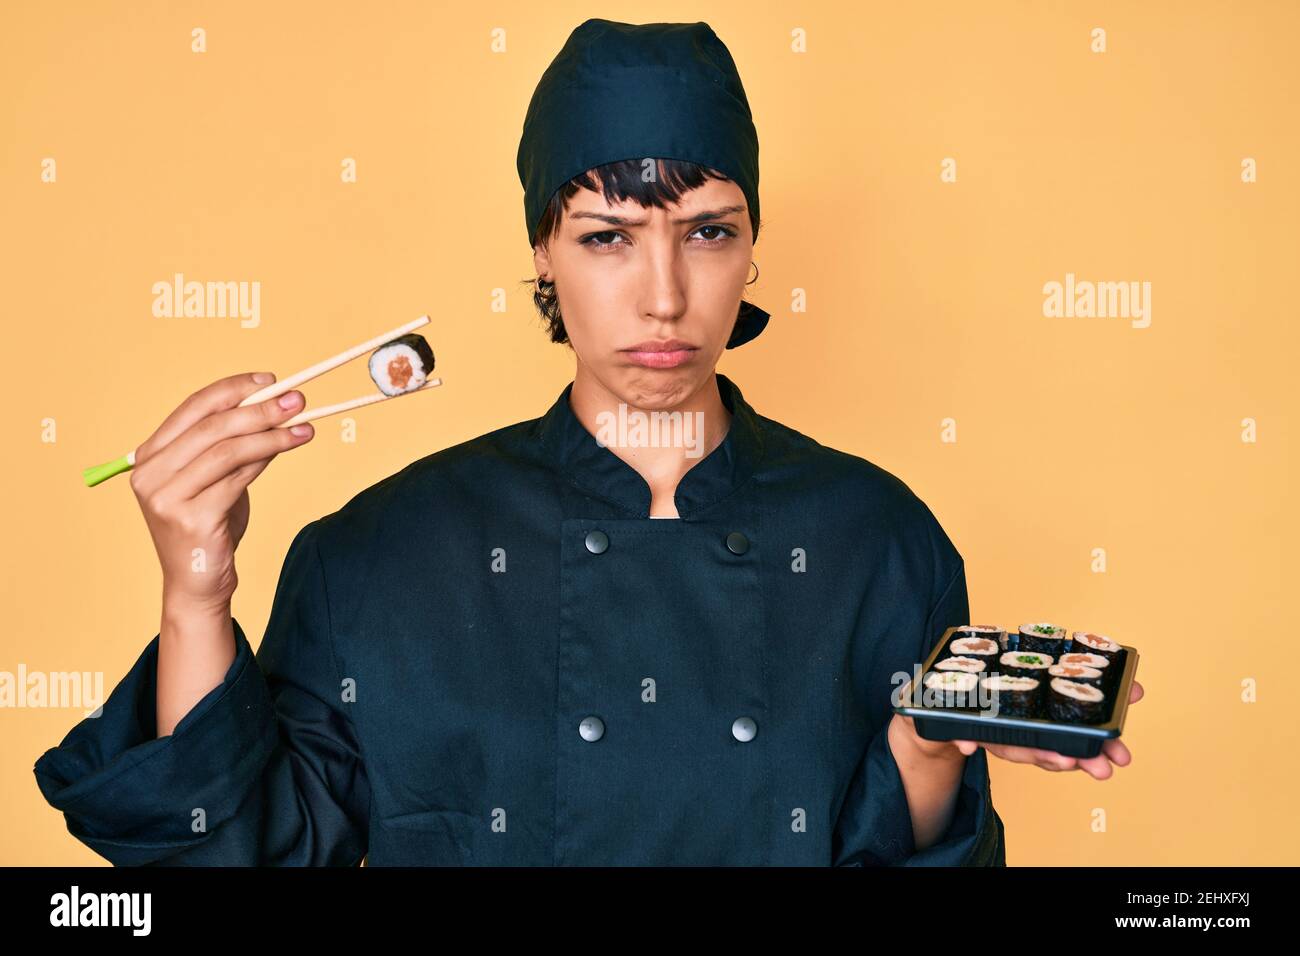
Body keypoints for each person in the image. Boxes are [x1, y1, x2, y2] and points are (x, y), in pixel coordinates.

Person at [34, 18, 1140, 866]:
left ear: (751, 247)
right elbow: (240, 850)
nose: (664, 296)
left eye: (707, 231)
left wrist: (928, 748)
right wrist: (194, 586)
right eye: (607, 238)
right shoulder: (379, 553)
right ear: (543, 256)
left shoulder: (876, 536)